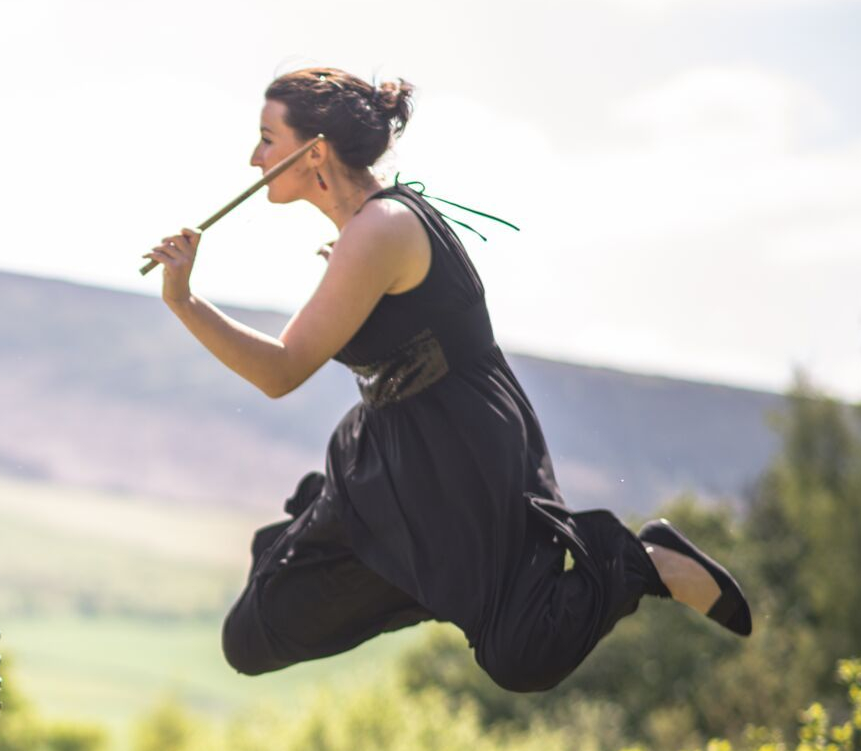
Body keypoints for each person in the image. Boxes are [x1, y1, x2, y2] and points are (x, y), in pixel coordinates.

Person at [144, 68, 750, 696]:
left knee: (522, 659)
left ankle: (638, 563)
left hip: (459, 453)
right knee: (252, 636)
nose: (255, 158)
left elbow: (281, 372)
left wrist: (184, 300)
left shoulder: (381, 228)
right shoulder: (366, 233)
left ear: (313, 151)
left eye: (267, 139)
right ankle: (441, 574)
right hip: (384, 460)